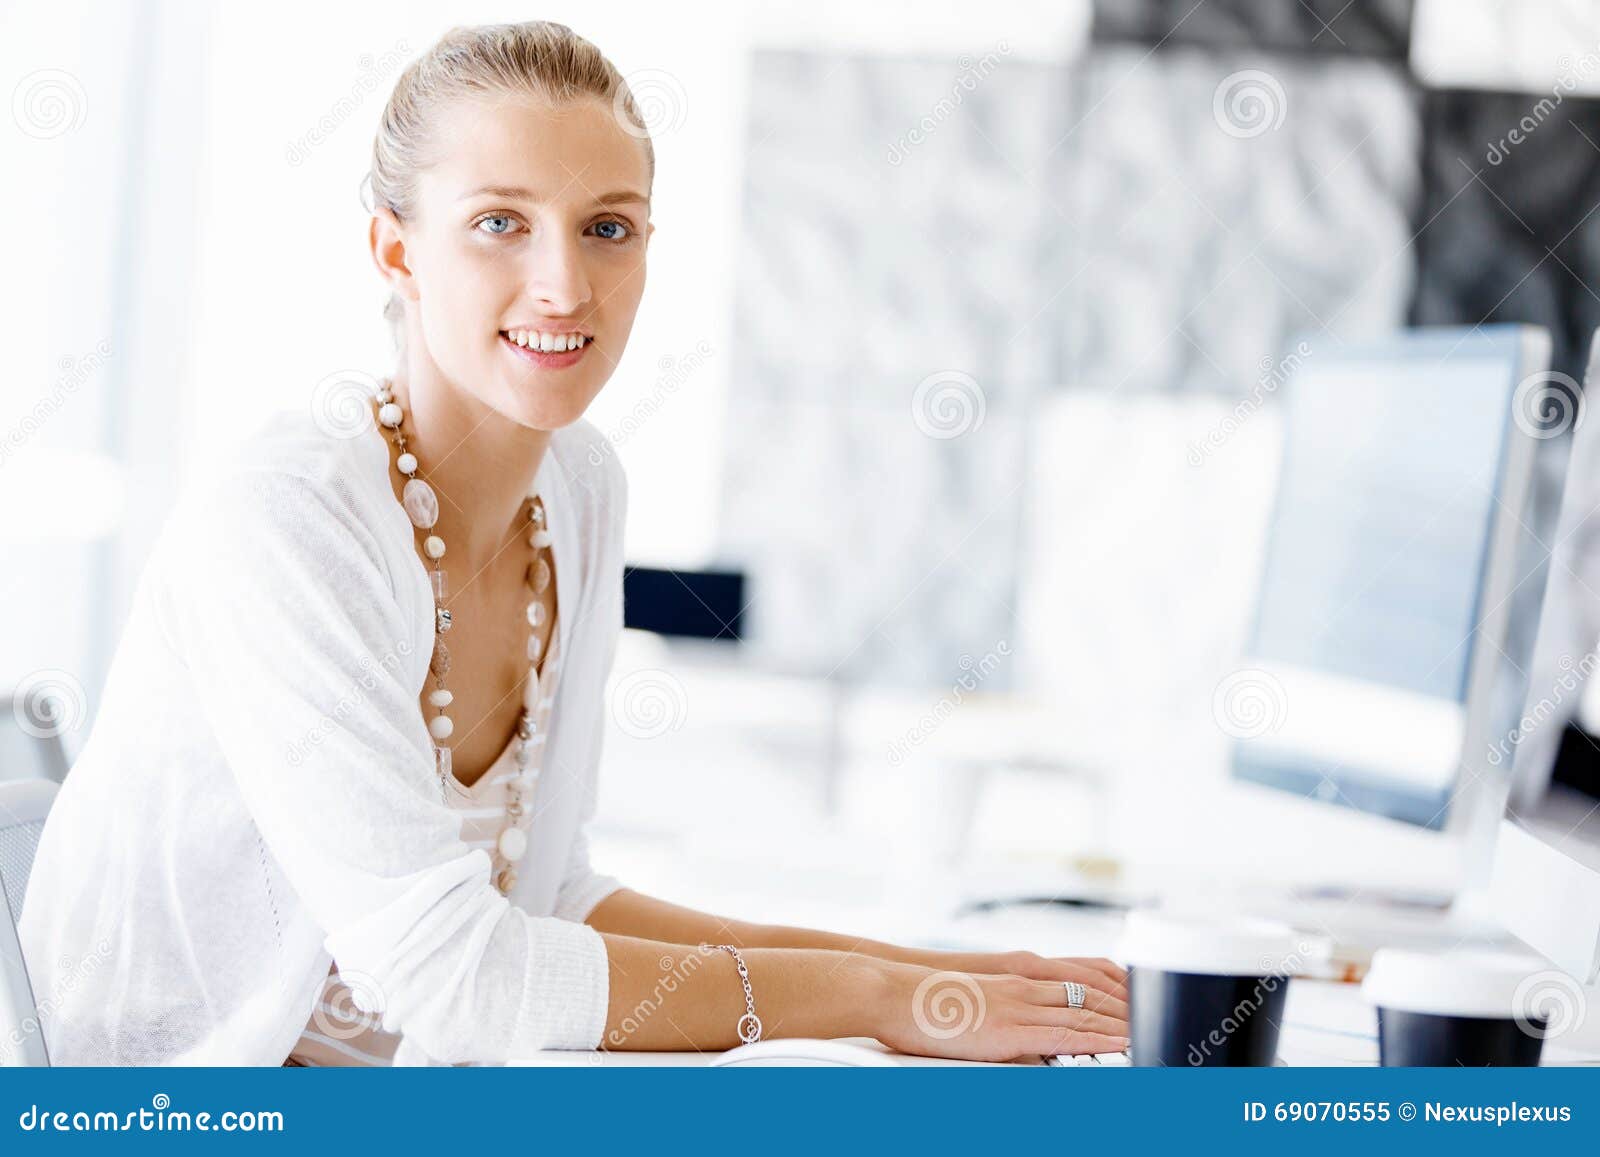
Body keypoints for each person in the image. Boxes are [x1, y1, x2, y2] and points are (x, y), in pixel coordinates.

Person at [19, 20, 1128, 1066]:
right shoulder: (289, 518)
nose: (564, 284)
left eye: (607, 227)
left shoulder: (580, 486)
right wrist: (879, 1000)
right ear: (394, 250)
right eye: (500, 222)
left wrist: (936, 973)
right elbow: (458, 976)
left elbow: (545, 898)